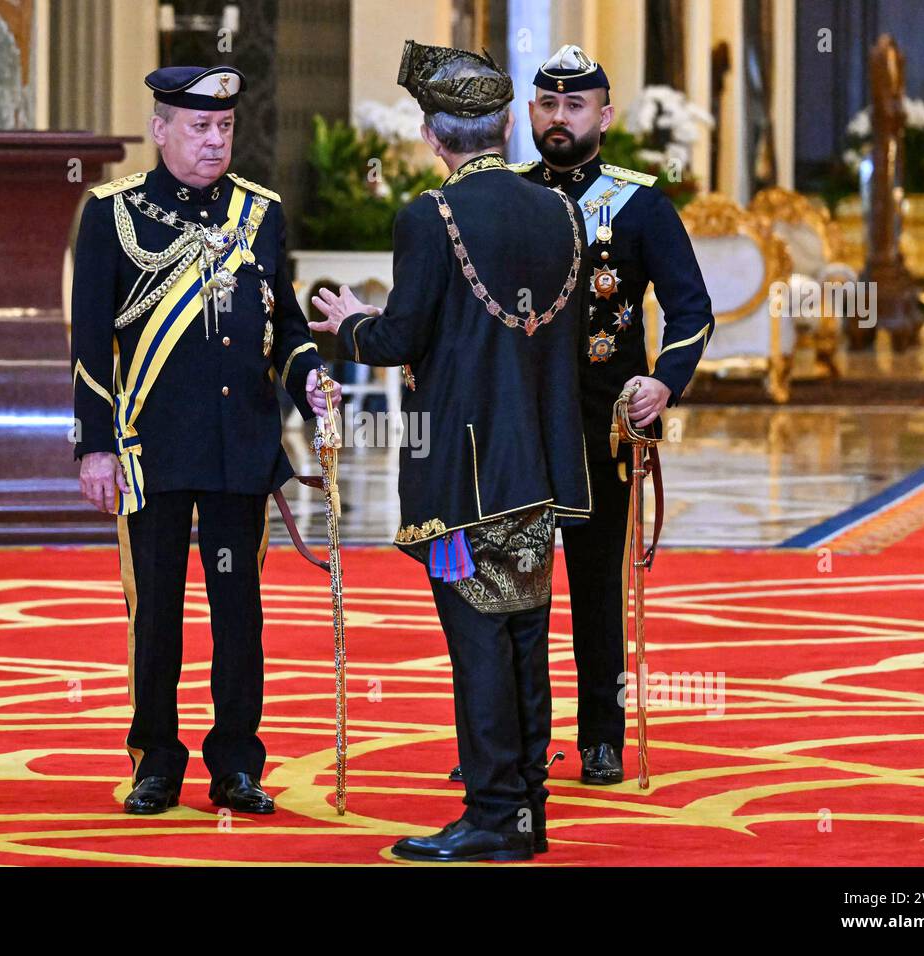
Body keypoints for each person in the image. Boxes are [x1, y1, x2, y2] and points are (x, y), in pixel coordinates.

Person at [309, 41, 591, 862]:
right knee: (527, 638)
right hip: (539, 464)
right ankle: (528, 810)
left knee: (478, 642)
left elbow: (404, 336)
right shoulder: (562, 213)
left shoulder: (427, 217)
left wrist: (348, 323)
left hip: (464, 475)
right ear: (506, 124)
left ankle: (493, 816)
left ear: (434, 136)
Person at [70, 64, 337, 816]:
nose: (215, 140)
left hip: (238, 449)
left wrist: (308, 378)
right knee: (153, 611)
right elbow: (91, 345)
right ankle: (155, 760)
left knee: (239, 615)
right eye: (198, 126)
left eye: (224, 126)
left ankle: (236, 764)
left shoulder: (261, 212)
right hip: (151, 449)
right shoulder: (112, 214)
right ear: (160, 130)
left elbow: (282, 323)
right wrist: (95, 447)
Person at [515, 44, 714, 784]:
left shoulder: (638, 202)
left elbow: (691, 308)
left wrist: (665, 382)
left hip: (604, 425)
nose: (558, 118)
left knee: (597, 586)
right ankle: (517, 738)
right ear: (529, 112)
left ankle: (601, 735)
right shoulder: (507, 193)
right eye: (546, 104)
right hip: (519, 422)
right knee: (513, 583)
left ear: (605, 114)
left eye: (573, 105)